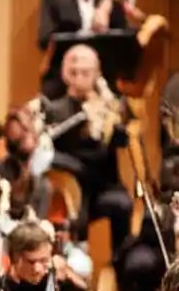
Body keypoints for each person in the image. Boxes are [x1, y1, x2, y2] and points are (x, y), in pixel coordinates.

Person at [44, 44, 133, 249]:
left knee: (122, 204)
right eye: (73, 71)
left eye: (86, 72)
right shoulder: (54, 109)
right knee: (70, 211)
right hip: (71, 186)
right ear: (65, 73)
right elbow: (45, 152)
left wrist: (110, 119)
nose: (79, 77)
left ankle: (120, 266)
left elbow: (122, 141)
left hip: (103, 186)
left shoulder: (110, 107)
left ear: (97, 73)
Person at [37, 0, 131, 98]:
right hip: (63, 80)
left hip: (103, 79)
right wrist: (84, 32)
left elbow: (123, 40)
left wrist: (105, 27)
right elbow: (44, 40)